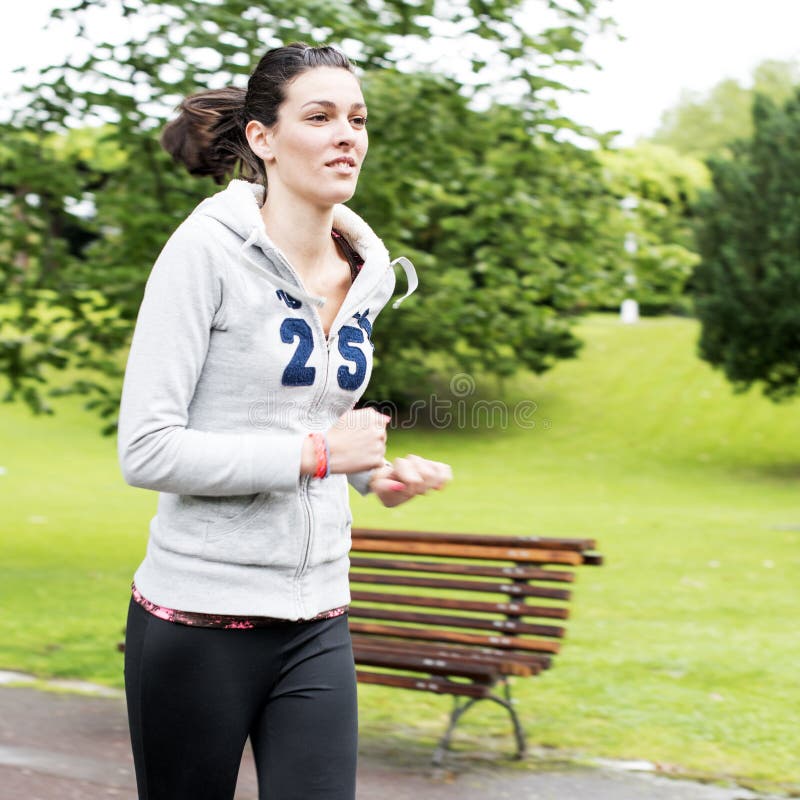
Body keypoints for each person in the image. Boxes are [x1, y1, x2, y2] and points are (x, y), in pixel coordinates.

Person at [117, 42, 452, 800]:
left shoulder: (365, 271)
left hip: (318, 615)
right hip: (201, 616)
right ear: (263, 138)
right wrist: (318, 455)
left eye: (358, 119)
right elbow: (147, 451)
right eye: (321, 116)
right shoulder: (203, 253)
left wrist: (376, 475)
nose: (348, 135)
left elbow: (314, 423)